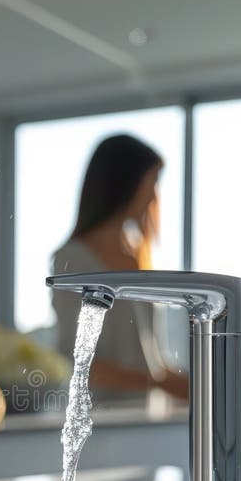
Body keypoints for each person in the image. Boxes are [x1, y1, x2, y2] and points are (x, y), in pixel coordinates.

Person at [51, 133, 188, 402]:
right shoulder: (73, 261)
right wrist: (159, 384)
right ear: (125, 183)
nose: (153, 196)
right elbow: (79, 360)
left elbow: (149, 361)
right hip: (99, 423)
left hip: (142, 419)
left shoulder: (137, 258)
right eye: (153, 182)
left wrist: (186, 384)